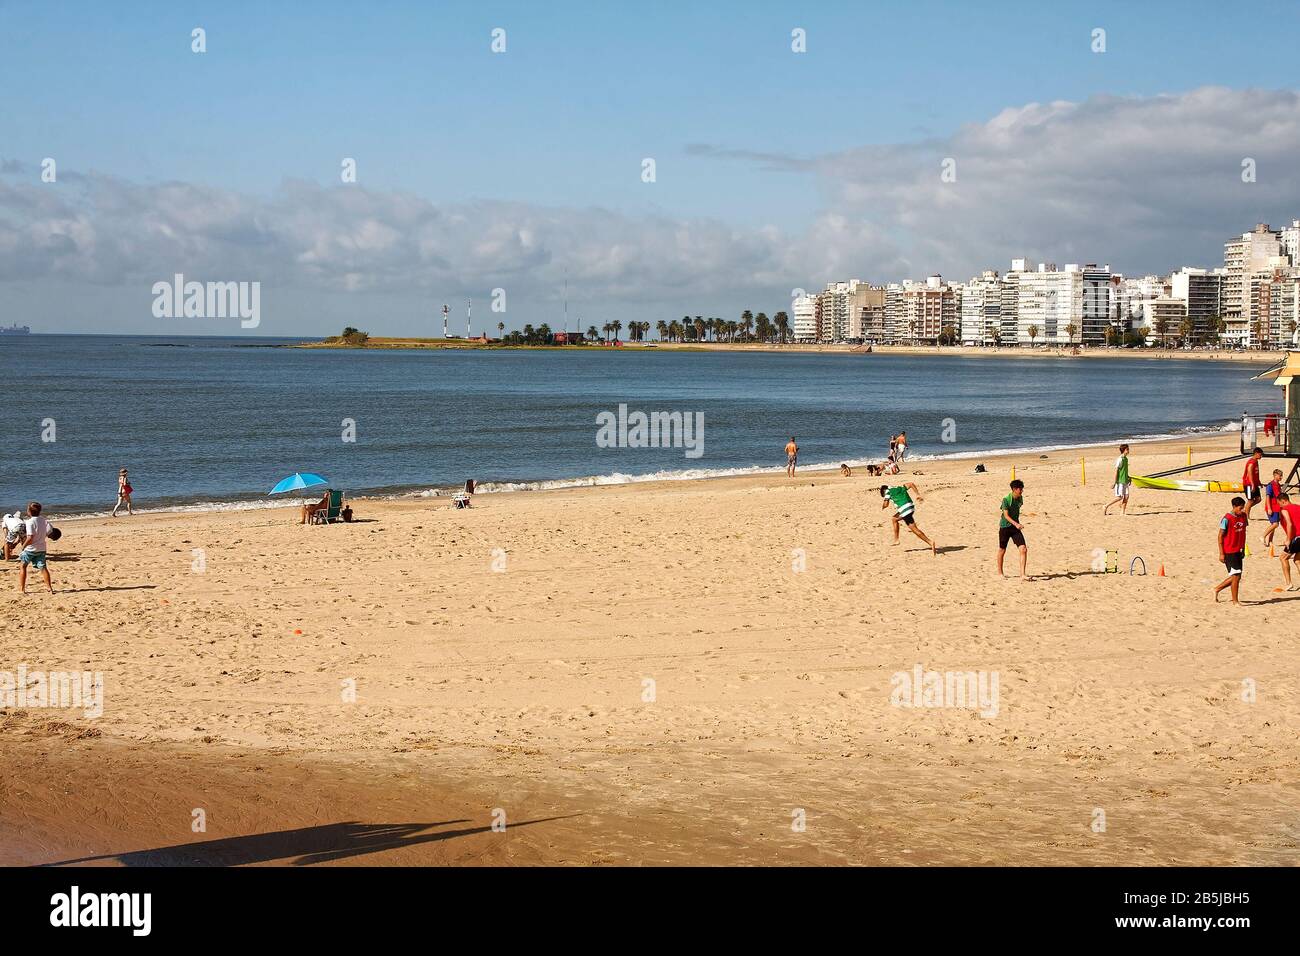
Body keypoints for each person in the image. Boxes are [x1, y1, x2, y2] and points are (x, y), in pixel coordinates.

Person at [879, 482, 936, 555]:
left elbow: (886, 504)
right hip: (911, 507)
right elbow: (911, 484)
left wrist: (883, 506)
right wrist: (917, 494)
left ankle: (930, 542)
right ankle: (896, 540)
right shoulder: (899, 487)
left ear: (884, 491)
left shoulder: (887, 491)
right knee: (894, 519)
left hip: (905, 510)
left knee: (914, 529)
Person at [1214, 496, 1249, 605]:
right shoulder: (1226, 519)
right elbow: (1220, 536)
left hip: (1238, 550)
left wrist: (1243, 548)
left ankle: (1217, 589)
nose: (1242, 510)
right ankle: (1235, 601)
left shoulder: (1243, 516)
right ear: (1234, 506)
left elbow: (1243, 532)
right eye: (1240, 508)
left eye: (1243, 508)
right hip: (1229, 551)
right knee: (1236, 576)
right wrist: (1221, 553)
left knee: (1237, 576)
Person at [17, 501, 53, 594]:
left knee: (23, 566)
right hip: (41, 548)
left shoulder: (29, 522)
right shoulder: (43, 520)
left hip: (31, 549)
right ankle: (49, 587)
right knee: (43, 568)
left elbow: (30, 537)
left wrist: (23, 547)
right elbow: (49, 531)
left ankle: (22, 589)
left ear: (29, 512)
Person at [997, 479, 1028, 578]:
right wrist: (1016, 524)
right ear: (1014, 489)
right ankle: (1000, 573)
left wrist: (1016, 524)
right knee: (1002, 550)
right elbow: (1006, 516)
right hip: (1005, 527)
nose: (1022, 491)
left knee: (1023, 549)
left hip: (1015, 527)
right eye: (1020, 489)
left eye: (1022, 489)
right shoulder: (1006, 499)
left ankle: (1023, 574)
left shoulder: (1020, 498)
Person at [1276, 492, 1300, 589]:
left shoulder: (1284, 510)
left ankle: (1288, 583)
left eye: (1279, 503)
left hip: (1297, 538)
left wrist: (1288, 539)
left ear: (1283, 501)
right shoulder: (1298, 507)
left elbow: (1289, 524)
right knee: (1297, 560)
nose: (1279, 506)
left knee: (1283, 558)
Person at [1103, 444, 1131, 515]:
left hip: (1125, 480)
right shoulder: (1120, 459)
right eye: (1127, 449)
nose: (1128, 451)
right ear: (1123, 450)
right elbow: (1117, 471)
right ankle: (1106, 506)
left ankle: (1122, 513)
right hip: (1120, 481)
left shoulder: (1126, 459)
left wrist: (1128, 478)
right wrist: (1115, 483)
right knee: (1119, 497)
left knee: (1127, 496)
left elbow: (1125, 470)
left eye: (1128, 449)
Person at [1262, 469, 1284, 548]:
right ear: (1275, 475)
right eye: (1280, 475)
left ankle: (1270, 541)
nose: (1281, 477)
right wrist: (1269, 508)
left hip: (1277, 508)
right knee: (1275, 524)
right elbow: (1268, 497)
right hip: (1272, 508)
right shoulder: (1270, 485)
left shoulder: (1278, 485)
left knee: (1273, 525)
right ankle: (1263, 536)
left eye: (1282, 475)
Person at [1241, 448, 1264, 518]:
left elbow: (1256, 473)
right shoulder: (1251, 462)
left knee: (1258, 499)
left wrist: (1259, 482)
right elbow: (1249, 473)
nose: (1261, 456)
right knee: (1250, 500)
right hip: (1248, 484)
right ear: (1256, 453)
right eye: (1260, 454)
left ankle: (1246, 509)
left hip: (1254, 483)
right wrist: (1252, 484)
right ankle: (1247, 516)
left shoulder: (1256, 461)